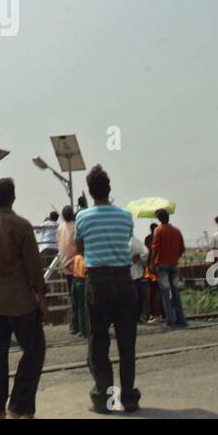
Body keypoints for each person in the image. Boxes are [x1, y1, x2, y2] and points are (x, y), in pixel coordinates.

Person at [0, 177, 47, 418]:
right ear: (13, 197)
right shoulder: (22, 226)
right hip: (20, 303)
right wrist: (42, 297)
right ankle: (19, 405)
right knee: (35, 350)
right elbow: (34, 268)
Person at [76, 165, 140, 413]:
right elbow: (126, 240)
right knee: (127, 342)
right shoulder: (125, 216)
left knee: (98, 341)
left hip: (98, 281)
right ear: (109, 189)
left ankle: (103, 397)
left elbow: (80, 247)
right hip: (124, 280)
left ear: (91, 192)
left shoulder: (83, 217)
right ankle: (129, 398)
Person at [151, 209, 187, 327]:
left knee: (165, 293)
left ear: (159, 219)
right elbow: (182, 248)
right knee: (176, 292)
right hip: (174, 264)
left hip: (162, 265)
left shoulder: (158, 230)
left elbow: (155, 248)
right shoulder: (177, 231)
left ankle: (170, 320)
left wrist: (152, 263)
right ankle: (181, 319)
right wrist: (175, 257)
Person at [56, 205, 80, 332]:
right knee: (79, 298)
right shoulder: (76, 227)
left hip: (65, 265)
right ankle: (77, 324)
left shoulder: (60, 228)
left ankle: (73, 324)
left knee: (72, 296)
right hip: (76, 265)